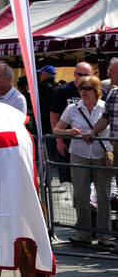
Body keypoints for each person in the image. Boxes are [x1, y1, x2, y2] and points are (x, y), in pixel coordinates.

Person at [55, 75, 112, 248]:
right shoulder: (72, 109)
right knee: (81, 196)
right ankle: (83, 234)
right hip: (79, 154)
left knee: (103, 196)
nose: (83, 92)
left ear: (96, 91)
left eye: (86, 88)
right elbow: (56, 129)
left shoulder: (105, 107)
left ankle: (105, 236)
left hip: (101, 154)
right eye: (80, 88)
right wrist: (69, 133)